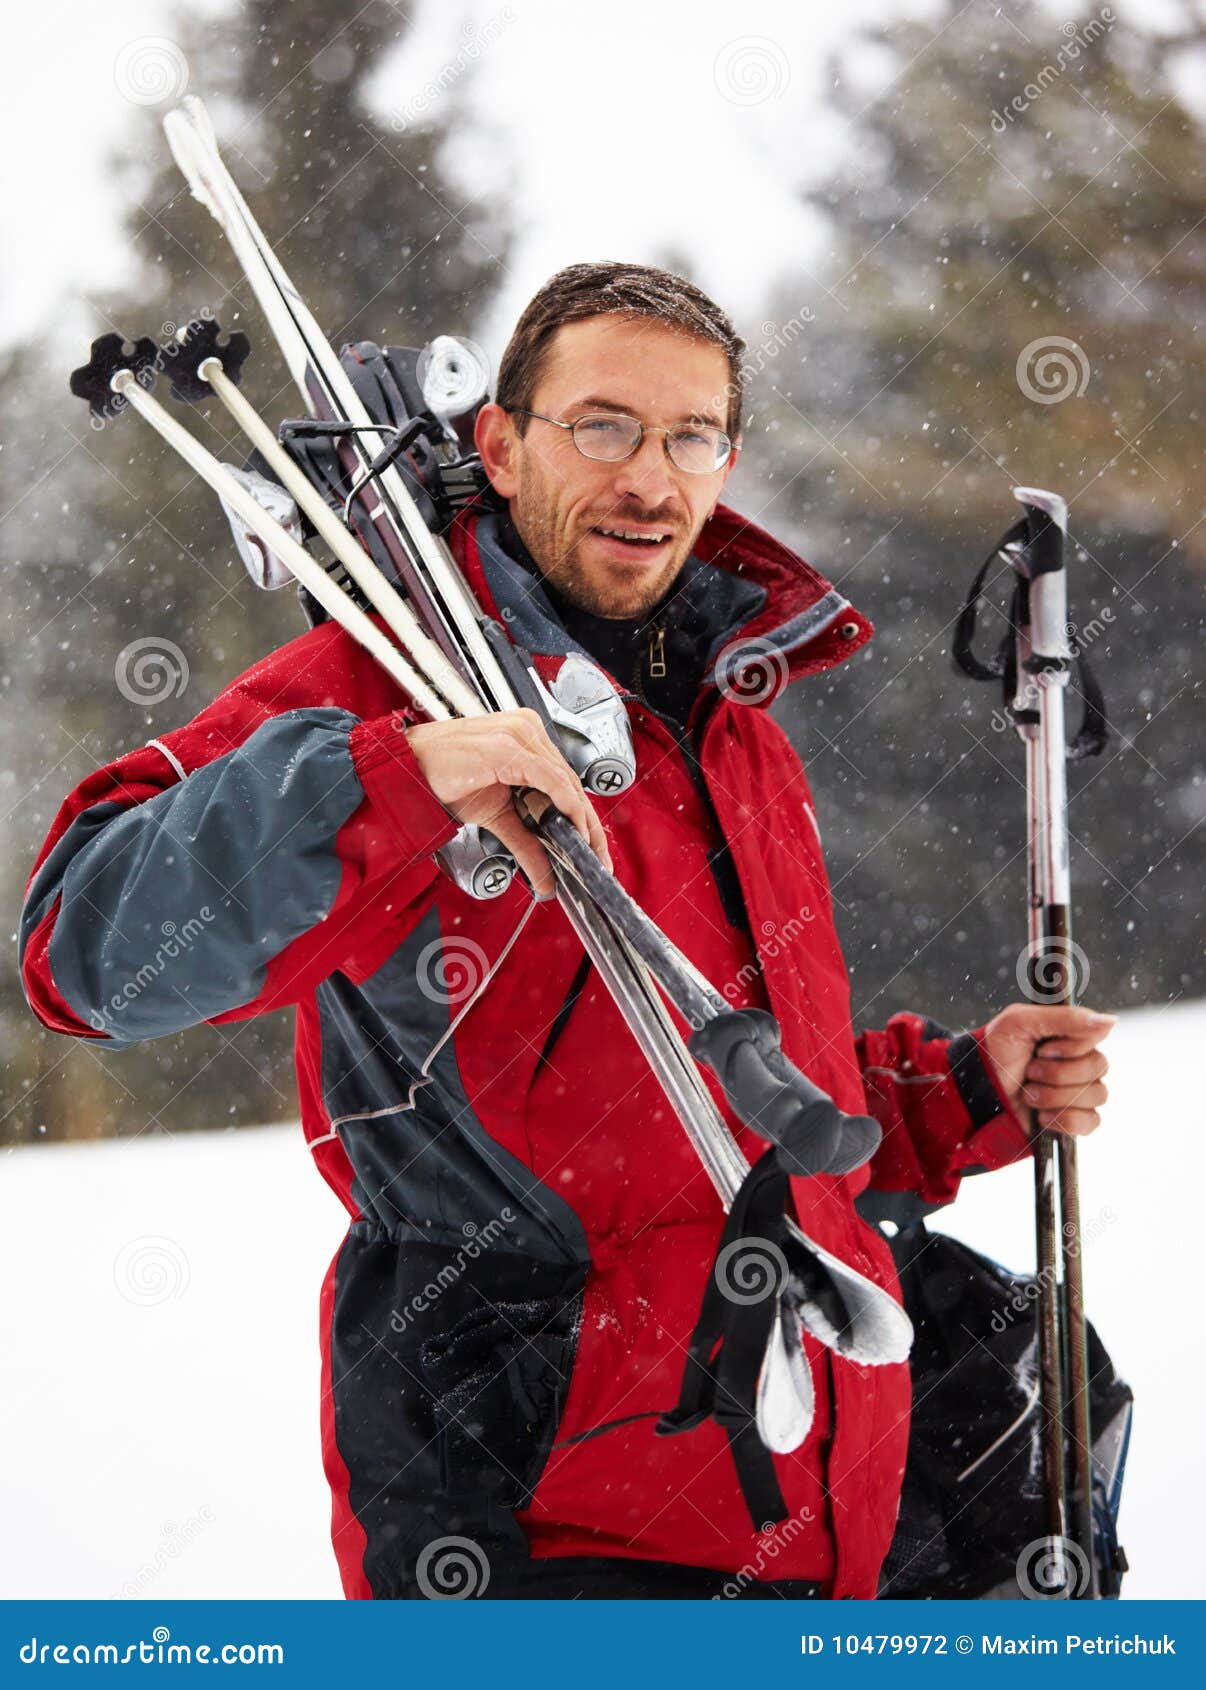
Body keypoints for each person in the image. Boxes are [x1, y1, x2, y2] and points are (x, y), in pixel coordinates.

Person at [19, 261, 1113, 1601]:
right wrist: (397, 775)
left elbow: (734, 1098)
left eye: (688, 435)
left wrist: (947, 1095)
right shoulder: (387, 678)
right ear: (499, 439)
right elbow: (82, 950)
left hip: (808, 1502)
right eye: (601, 425)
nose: (648, 477)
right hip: (534, 1523)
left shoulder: (733, 723)